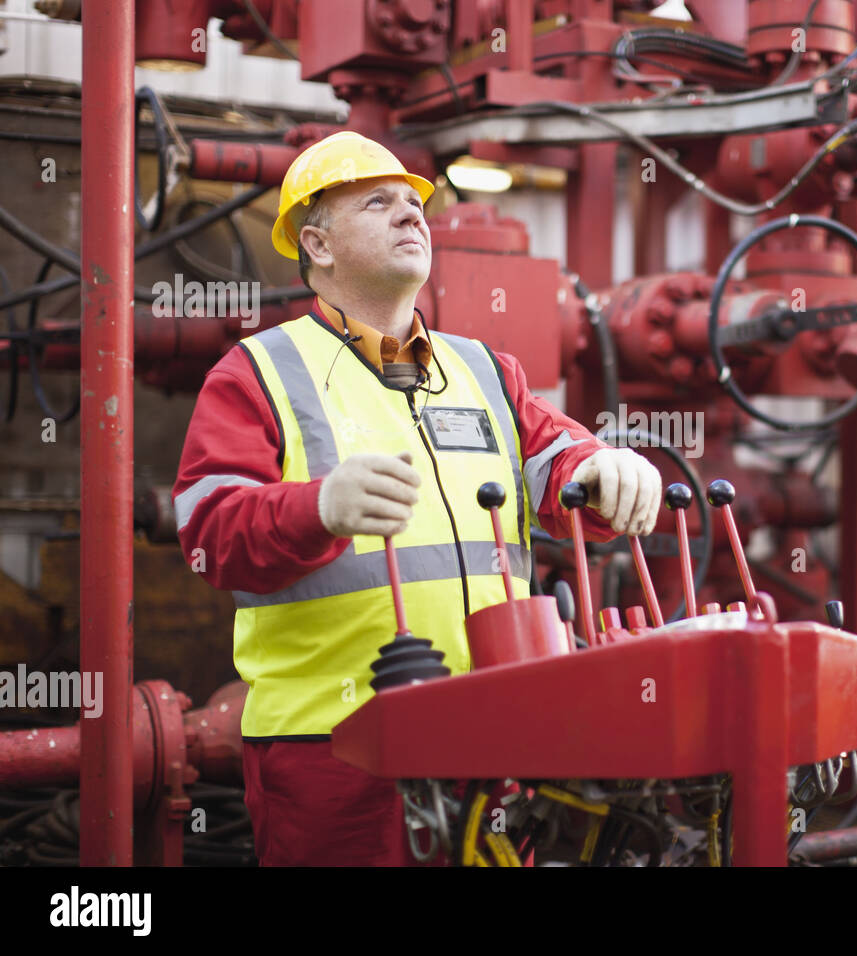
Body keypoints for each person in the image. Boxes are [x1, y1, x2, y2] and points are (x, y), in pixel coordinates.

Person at [172, 130, 661, 865]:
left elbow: (562, 466)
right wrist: (318, 509)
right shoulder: (257, 372)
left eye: (415, 204)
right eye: (380, 203)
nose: (412, 216)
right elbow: (209, 534)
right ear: (319, 244)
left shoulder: (485, 370)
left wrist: (607, 469)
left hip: (493, 735)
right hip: (334, 746)